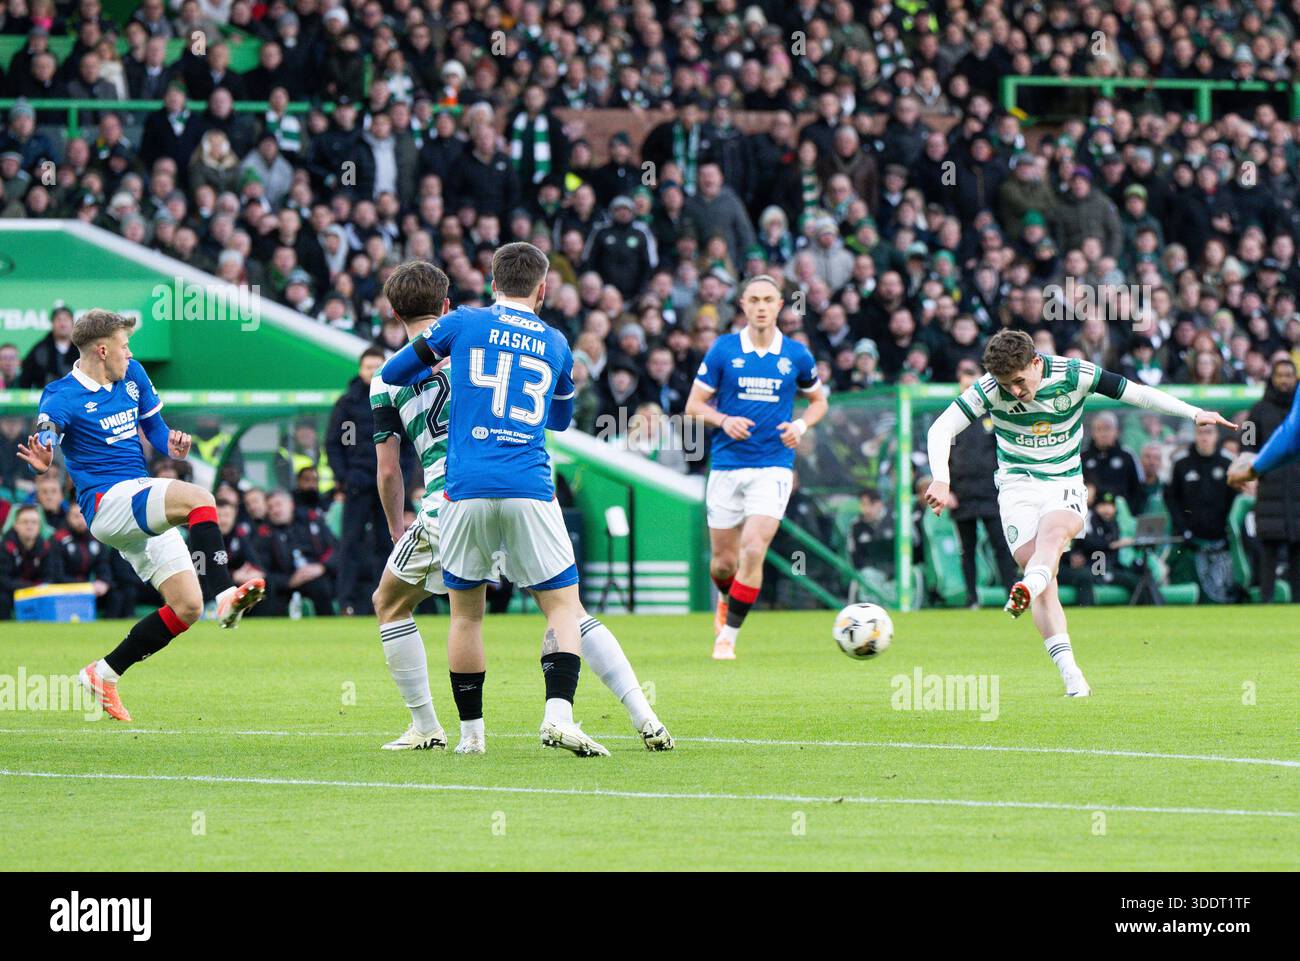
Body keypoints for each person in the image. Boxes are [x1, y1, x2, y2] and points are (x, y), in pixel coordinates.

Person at [370, 261, 671, 752]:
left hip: (454, 495)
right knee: (566, 610)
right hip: (525, 484)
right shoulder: (532, 338)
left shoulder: (411, 364)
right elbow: (560, 416)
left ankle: (444, 730)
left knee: (408, 606)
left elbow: (387, 468)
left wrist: (394, 528)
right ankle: (640, 714)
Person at [924, 330, 1236, 696]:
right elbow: (941, 428)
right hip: (1017, 486)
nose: (1015, 392)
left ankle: (1028, 586)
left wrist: (1194, 412)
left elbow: (1136, 392)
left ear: (1036, 363)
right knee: (1043, 577)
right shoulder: (990, 388)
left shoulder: (1074, 374)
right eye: (1007, 385)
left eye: (1020, 382)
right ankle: (1069, 669)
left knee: (1054, 538)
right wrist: (941, 479)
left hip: (1064, 482)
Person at [16, 309, 264, 721]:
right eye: (124, 346)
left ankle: (104, 673)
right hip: (107, 503)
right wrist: (41, 458)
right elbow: (47, 433)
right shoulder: (61, 394)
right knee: (201, 499)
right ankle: (225, 596)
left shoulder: (132, 376)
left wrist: (174, 445)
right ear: (101, 350)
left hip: (138, 497)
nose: (129, 354)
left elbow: (157, 431)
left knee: (185, 606)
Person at [685, 274, 828, 660]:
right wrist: (723, 420)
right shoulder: (723, 349)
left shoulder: (797, 355)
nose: (761, 306)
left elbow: (818, 401)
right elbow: (693, 406)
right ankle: (724, 595)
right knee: (723, 562)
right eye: (754, 300)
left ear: (780, 305)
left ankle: (728, 636)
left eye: (769, 299)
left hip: (773, 466)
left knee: (753, 549)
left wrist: (800, 425)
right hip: (728, 464)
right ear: (743, 306)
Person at [946, 368, 1018, 606]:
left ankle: (1012, 595)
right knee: (967, 549)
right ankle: (971, 598)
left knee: (1002, 544)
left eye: (973, 386)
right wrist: (947, 489)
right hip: (962, 493)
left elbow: (1007, 450)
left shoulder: (995, 414)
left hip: (991, 492)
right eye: (965, 387)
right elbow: (944, 455)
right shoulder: (952, 419)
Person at [1234, 359, 1300, 602]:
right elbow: (1246, 444)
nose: (1284, 380)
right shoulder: (1257, 411)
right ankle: (1266, 600)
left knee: (1298, 554)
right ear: (1272, 378)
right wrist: (1248, 474)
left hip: (1297, 489)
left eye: (1289, 376)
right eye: (1280, 375)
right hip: (1270, 489)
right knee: (1268, 551)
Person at [0, 504, 52, 620]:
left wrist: (37, 589)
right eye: (25, 522)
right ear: (16, 525)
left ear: (39, 526)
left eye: (34, 522)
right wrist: (31, 588)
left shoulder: (46, 547)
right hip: (11, 593)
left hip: (38, 593)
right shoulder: (5, 547)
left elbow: (49, 577)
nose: (30, 526)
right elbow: (3, 580)